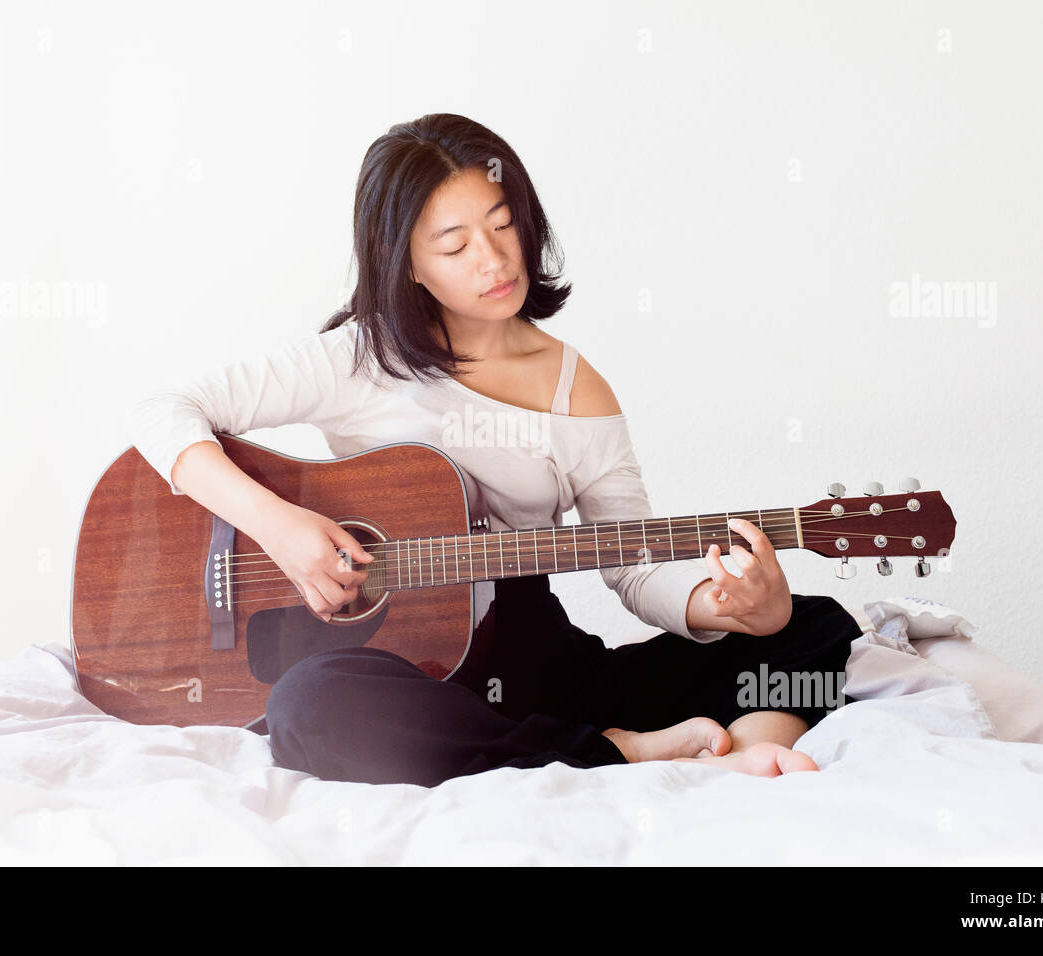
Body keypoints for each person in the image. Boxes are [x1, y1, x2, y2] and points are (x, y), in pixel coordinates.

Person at [127, 113, 860, 788]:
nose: (494, 258)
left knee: (814, 625)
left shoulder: (579, 392)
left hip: (532, 666)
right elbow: (164, 410)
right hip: (391, 670)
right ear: (406, 262)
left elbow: (631, 562)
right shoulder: (360, 357)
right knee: (308, 707)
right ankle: (618, 751)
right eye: (455, 244)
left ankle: (747, 752)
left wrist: (725, 605)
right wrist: (278, 527)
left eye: (504, 224)